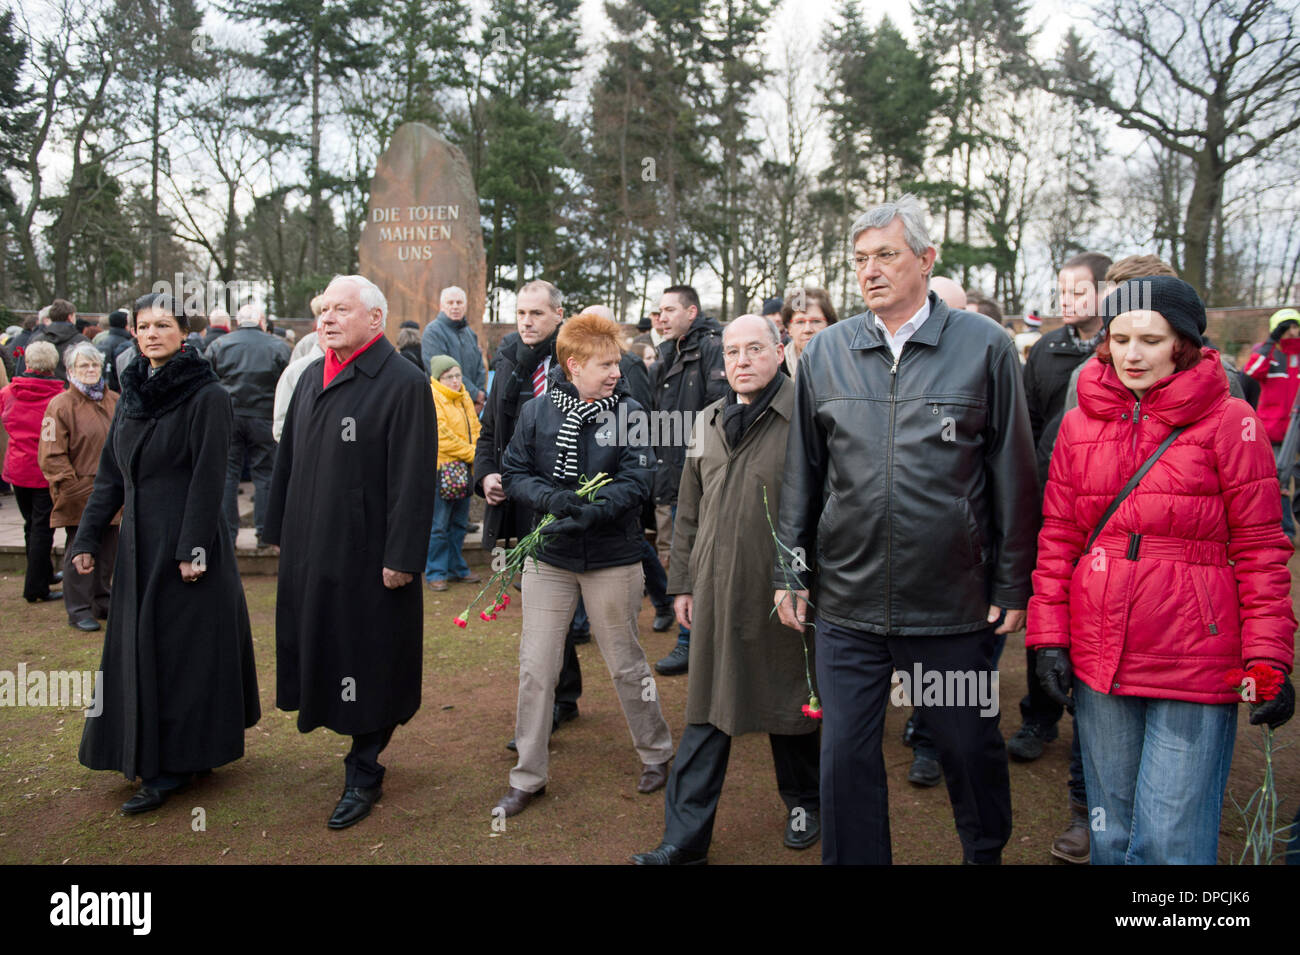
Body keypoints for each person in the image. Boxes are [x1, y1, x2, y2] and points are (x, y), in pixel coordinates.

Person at [773, 194, 1037, 865]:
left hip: (952, 602)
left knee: (967, 745)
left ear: (925, 258)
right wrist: (791, 571)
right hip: (847, 604)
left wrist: (1011, 579)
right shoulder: (826, 352)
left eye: (886, 255)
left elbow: (1013, 472)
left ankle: (984, 850)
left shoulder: (986, 347)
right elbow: (803, 474)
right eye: (860, 259)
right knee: (845, 758)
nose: (870, 270)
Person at [1028, 276, 1296, 864]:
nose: (1131, 353)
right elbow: (1059, 539)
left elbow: (1260, 546)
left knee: (1169, 842)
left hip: (1195, 652)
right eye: (1119, 337)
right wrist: (1049, 637)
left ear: (1184, 342)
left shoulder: (1231, 421)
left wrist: (1269, 655)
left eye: (1150, 339)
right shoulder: (1080, 423)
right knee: (1112, 832)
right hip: (1101, 651)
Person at [632, 315, 820, 865]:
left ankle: (806, 806)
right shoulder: (708, 421)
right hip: (713, 590)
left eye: (755, 349)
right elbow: (687, 513)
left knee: (789, 711)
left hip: (782, 593)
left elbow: (826, 512)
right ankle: (683, 843)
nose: (741, 360)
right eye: (732, 351)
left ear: (779, 351)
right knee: (706, 715)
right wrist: (682, 584)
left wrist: (802, 580)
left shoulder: (807, 421)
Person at [69, 292, 260, 814]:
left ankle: (175, 765)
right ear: (133, 332)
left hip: (187, 546)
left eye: (164, 325)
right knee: (139, 649)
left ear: (184, 331)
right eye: (144, 326)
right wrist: (86, 538)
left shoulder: (208, 395)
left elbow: (208, 477)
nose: (152, 334)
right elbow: (112, 476)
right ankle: (148, 751)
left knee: (183, 655)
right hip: (138, 545)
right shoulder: (131, 391)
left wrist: (192, 549)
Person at [263, 274, 437, 830]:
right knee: (325, 646)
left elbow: (414, 481)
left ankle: (365, 769)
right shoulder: (312, 374)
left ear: (375, 319)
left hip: (369, 556)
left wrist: (403, 557)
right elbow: (287, 460)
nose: (327, 318)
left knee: (370, 656)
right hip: (313, 547)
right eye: (323, 309)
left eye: (341, 309)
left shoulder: (404, 384)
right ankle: (343, 731)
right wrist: (278, 529)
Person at [494, 313, 672, 817]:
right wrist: (554, 500)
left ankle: (657, 752)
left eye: (617, 362)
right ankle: (528, 776)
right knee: (536, 666)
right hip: (550, 557)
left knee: (625, 661)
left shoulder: (632, 411)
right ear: (574, 365)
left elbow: (640, 478)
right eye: (605, 364)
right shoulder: (536, 412)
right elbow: (514, 470)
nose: (616, 372)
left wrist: (594, 509)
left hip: (613, 558)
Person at [474, 281, 588, 747]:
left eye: (537, 313)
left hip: (561, 507)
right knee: (543, 609)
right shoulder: (505, 363)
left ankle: (558, 702)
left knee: (551, 609)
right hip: (517, 508)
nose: (526, 321)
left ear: (559, 314)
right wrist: (487, 476)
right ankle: (564, 696)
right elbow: (487, 435)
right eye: (521, 312)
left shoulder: (577, 362)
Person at [651, 285, 728, 676]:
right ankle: (689, 640)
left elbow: (720, 414)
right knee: (684, 554)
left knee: (701, 559)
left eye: (669, 310)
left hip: (704, 475)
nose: (661, 317)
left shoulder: (714, 349)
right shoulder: (669, 352)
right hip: (675, 473)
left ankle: (691, 644)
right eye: (659, 311)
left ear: (692, 311)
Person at [38, 342, 120, 631]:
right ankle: (79, 608)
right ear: (71, 370)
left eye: (94, 365)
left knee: (109, 550)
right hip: (79, 492)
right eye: (83, 365)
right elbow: (50, 453)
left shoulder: (113, 400)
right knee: (80, 551)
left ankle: (102, 599)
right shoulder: (60, 404)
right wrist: (71, 486)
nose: (89, 370)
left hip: (113, 492)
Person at [207, 302, 292, 548]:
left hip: (229, 416)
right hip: (263, 416)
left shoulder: (220, 345)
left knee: (228, 475)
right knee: (264, 474)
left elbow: (208, 380)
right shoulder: (278, 346)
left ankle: (228, 534)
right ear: (261, 321)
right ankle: (264, 533)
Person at [0, 340, 65, 603]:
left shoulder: (8, 393)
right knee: (42, 529)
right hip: (42, 470)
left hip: (18, 467)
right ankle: (35, 587)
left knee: (32, 525)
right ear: (53, 366)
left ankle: (42, 573)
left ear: (27, 363)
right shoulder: (59, 397)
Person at [425, 354, 482, 591]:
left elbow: (475, 426)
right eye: (449, 377)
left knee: (459, 522)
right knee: (439, 524)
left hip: (464, 469)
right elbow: (442, 438)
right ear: (439, 378)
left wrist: (478, 450)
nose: (455, 381)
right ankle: (436, 571)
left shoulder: (463, 397)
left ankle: (456, 566)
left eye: (458, 375)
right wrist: (474, 453)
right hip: (444, 470)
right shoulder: (433, 398)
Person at [1243, 307, 1300, 538]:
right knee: (1278, 480)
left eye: (1296, 326)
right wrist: (1270, 342)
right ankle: (1285, 529)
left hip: (1297, 428)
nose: (1292, 332)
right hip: (1275, 430)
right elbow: (1251, 372)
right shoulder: (1268, 355)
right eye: (1286, 328)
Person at [421, 285, 487, 413]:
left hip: (473, 408)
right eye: (450, 302)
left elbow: (480, 367)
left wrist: (480, 397)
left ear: (465, 306)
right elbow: (442, 372)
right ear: (441, 306)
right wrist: (475, 395)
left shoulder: (470, 334)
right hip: (445, 409)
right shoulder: (432, 333)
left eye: (459, 302)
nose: (455, 306)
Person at [17, 298, 92, 381]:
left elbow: (25, 368)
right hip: (72, 389)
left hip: (42, 388)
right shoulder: (82, 342)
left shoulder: (37, 340)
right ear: (70, 317)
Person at [779, 288, 838, 378]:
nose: (807, 329)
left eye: (816, 321)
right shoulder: (775, 368)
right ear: (789, 328)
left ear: (829, 325)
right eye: (800, 322)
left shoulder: (845, 365)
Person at [96, 310, 133, 393]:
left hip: (102, 389)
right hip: (118, 392)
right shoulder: (127, 345)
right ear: (127, 325)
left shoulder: (101, 342)